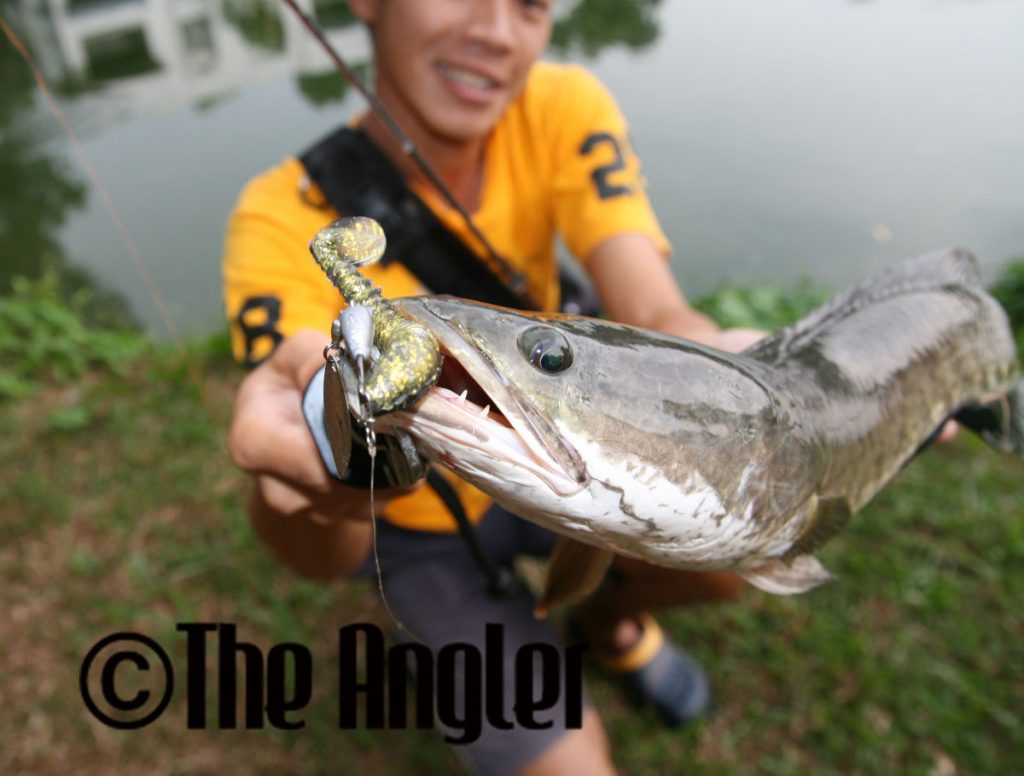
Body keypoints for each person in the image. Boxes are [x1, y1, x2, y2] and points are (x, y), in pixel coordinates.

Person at [224, 1, 763, 773]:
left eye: (531, 4)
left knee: (726, 556)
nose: (498, 31)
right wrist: (321, 474)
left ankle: (606, 623)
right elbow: (322, 547)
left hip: (568, 461)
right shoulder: (279, 222)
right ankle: (461, 622)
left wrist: (732, 364)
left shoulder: (560, 104)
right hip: (417, 525)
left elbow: (654, 310)